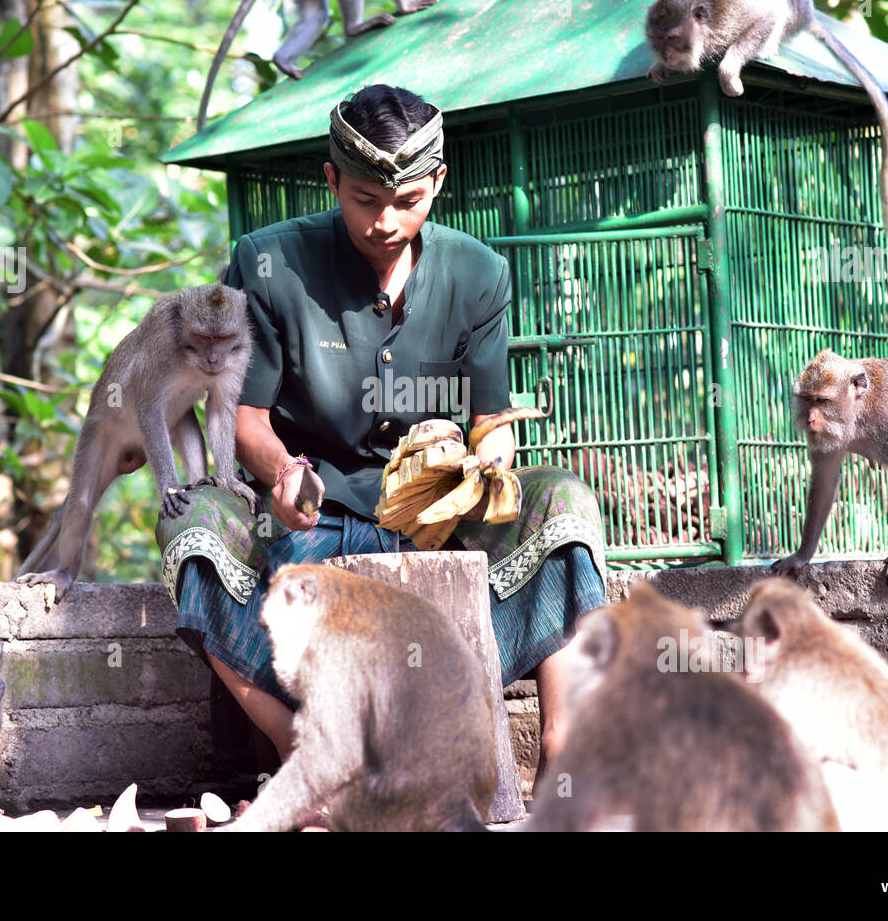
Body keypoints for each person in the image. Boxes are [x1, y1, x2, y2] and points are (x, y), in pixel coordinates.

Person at [157, 84, 607, 786]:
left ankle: (562, 750)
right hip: (314, 519)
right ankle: (297, 748)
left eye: (408, 200)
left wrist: (487, 460)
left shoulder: (480, 274)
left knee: (564, 500)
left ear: (438, 185)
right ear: (332, 179)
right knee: (199, 519)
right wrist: (285, 474)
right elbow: (245, 420)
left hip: (435, 518)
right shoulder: (269, 263)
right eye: (365, 199)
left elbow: (491, 420)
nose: (385, 221)